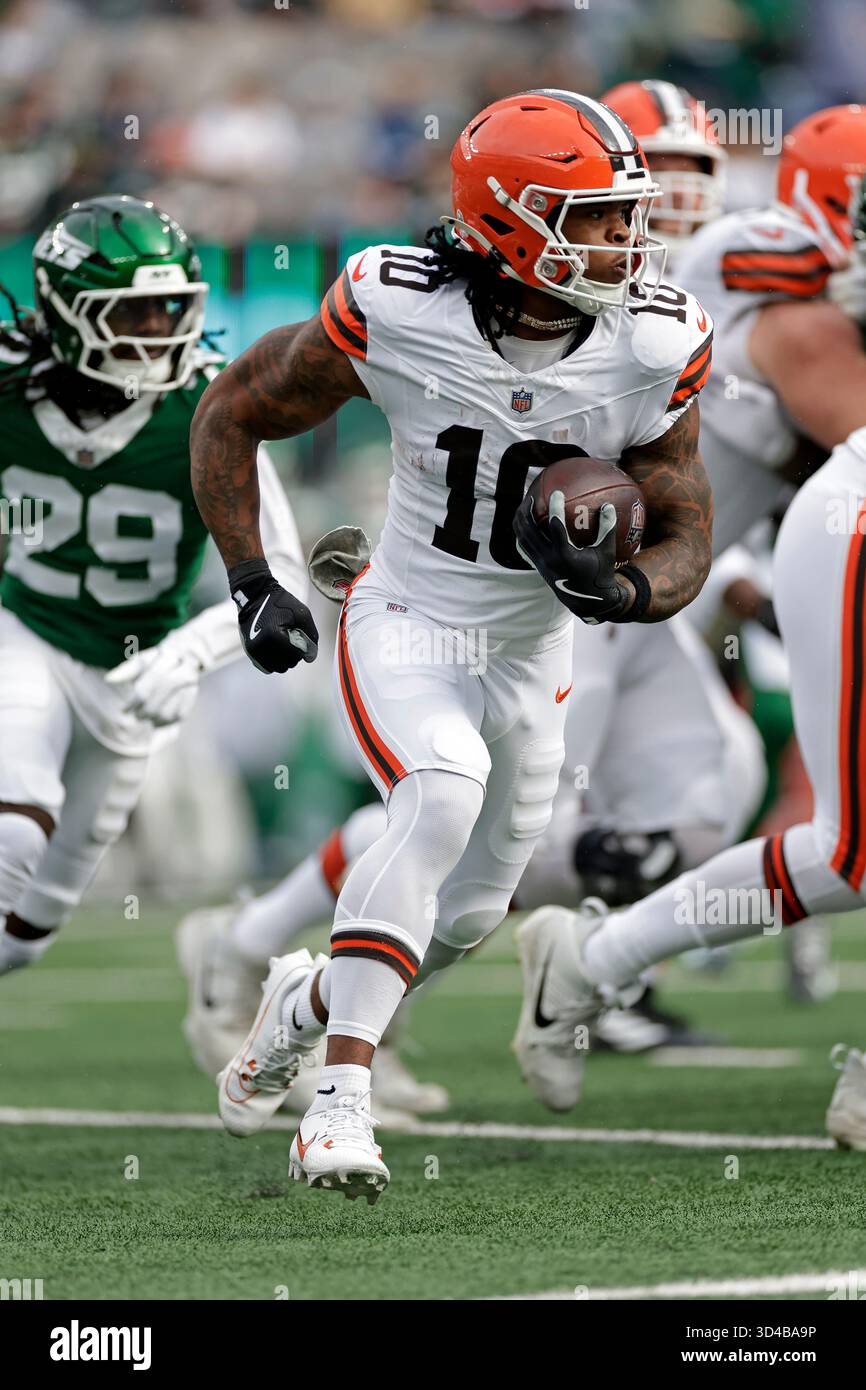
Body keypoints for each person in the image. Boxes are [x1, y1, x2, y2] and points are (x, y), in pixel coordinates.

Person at [190, 90, 715, 1203]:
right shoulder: (396, 304)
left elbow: (685, 525)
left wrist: (619, 588)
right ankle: (335, 1110)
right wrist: (252, 577)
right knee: (437, 793)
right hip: (410, 621)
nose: (628, 238)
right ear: (511, 223)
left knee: (470, 912)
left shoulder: (655, 337)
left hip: (534, 653)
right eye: (595, 218)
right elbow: (234, 407)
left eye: (626, 216)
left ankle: (298, 999)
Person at [512, 127, 866, 1123]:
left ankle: (594, 962)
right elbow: (728, 266)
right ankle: (316, 995)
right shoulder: (769, 288)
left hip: (676, 585)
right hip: (594, 581)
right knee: (503, 840)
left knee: (713, 799)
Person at [0, 194, 304, 979]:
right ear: (66, 313)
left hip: (137, 673)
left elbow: (283, 577)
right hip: (26, 627)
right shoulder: (9, 390)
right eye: (130, 313)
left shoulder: (209, 404)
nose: (158, 331)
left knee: (25, 937)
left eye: (170, 309)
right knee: (13, 831)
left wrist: (197, 653)